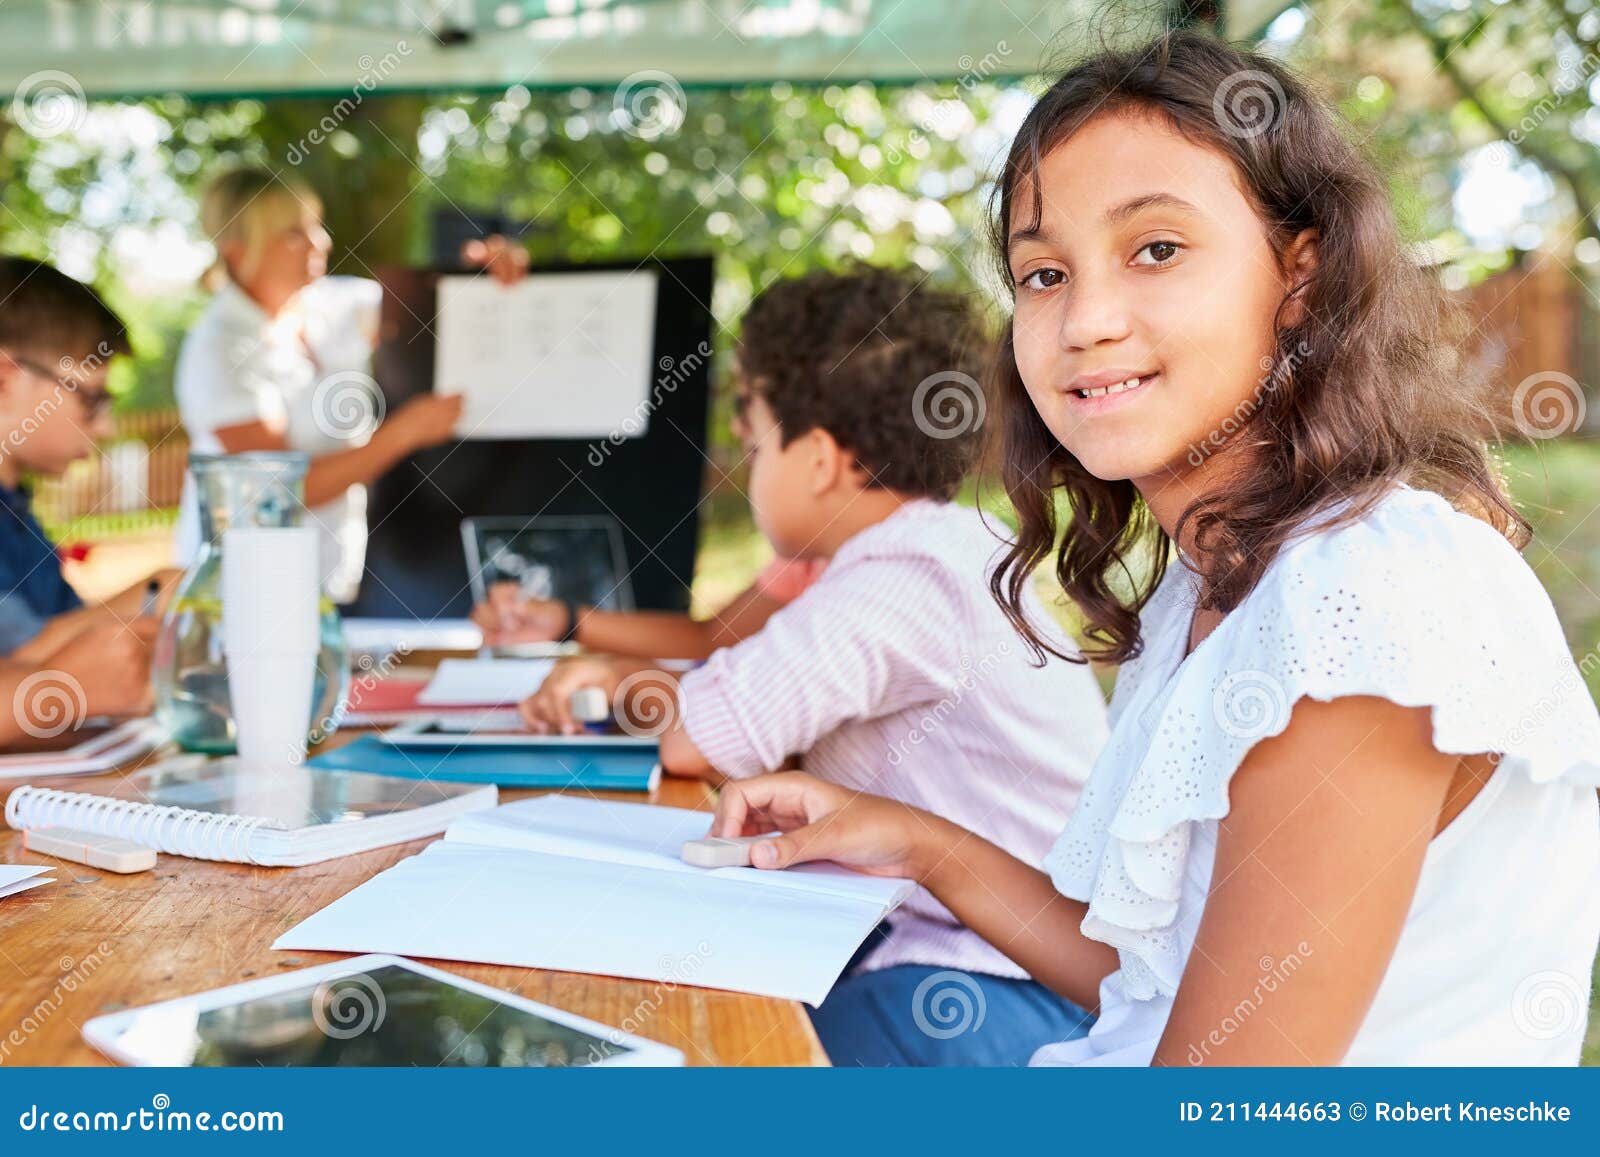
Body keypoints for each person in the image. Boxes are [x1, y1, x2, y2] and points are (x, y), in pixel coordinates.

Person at [702, 32, 1600, 1067]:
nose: (1084, 318)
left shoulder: (1361, 598)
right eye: (1042, 271)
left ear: (1299, 279)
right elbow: (1159, 989)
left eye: (1156, 249)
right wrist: (916, 841)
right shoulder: (1215, 583)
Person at [522, 268, 1111, 1066]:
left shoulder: (907, 574)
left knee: (731, 1049)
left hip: (999, 981)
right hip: (969, 947)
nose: (746, 467)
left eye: (758, 444)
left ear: (823, 460)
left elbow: (698, 736)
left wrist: (613, 680)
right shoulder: (931, 544)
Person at [174, 166, 528, 603]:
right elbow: (281, 489)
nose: (319, 243)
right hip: (241, 592)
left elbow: (434, 301)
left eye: (315, 226)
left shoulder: (339, 302)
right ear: (236, 250)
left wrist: (483, 269)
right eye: (292, 233)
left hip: (330, 577)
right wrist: (405, 434)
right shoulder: (219, 348)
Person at [0, 255, 166, 731]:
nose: (108, 426)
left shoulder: (20, 517)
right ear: (6, 380)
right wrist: (153, 593)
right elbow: (23, 655)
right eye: (91, 399)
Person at [471, 553, 825, 660]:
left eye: (757, 450)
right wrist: (564, 621)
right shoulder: (806, 560)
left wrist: (628, 683)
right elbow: (715, 639)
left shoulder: (864, 575)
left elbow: (687, 749)